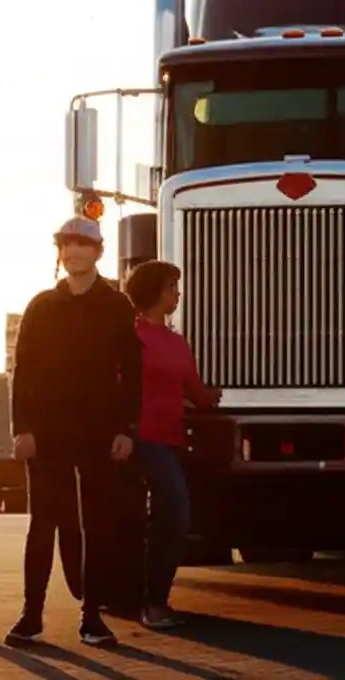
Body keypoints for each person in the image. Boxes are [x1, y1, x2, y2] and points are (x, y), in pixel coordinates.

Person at [5, 215, 142, 649]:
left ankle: (92, 618)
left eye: (82, 244)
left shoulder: (117, 305)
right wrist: (21, 428)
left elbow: (132, 371)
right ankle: (31, 616)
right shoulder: (41, 306)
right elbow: (22, 372)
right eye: (66, 244)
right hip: (46, 431)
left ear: (98, 252)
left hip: (99, 430)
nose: (73, 252)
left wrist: (127, 429)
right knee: (42, 523)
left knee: (97, 523)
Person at [124, 261, 221, 629]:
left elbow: (194, 392)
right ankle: (152, 602)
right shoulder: (131, 337)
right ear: (152, 292)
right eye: (171, 287)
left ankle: (149, 597)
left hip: (170, 439)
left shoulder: (177, 342)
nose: (177, 294)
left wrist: (215, 396)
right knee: (175, 511)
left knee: (167, 517)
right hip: (140, 438)